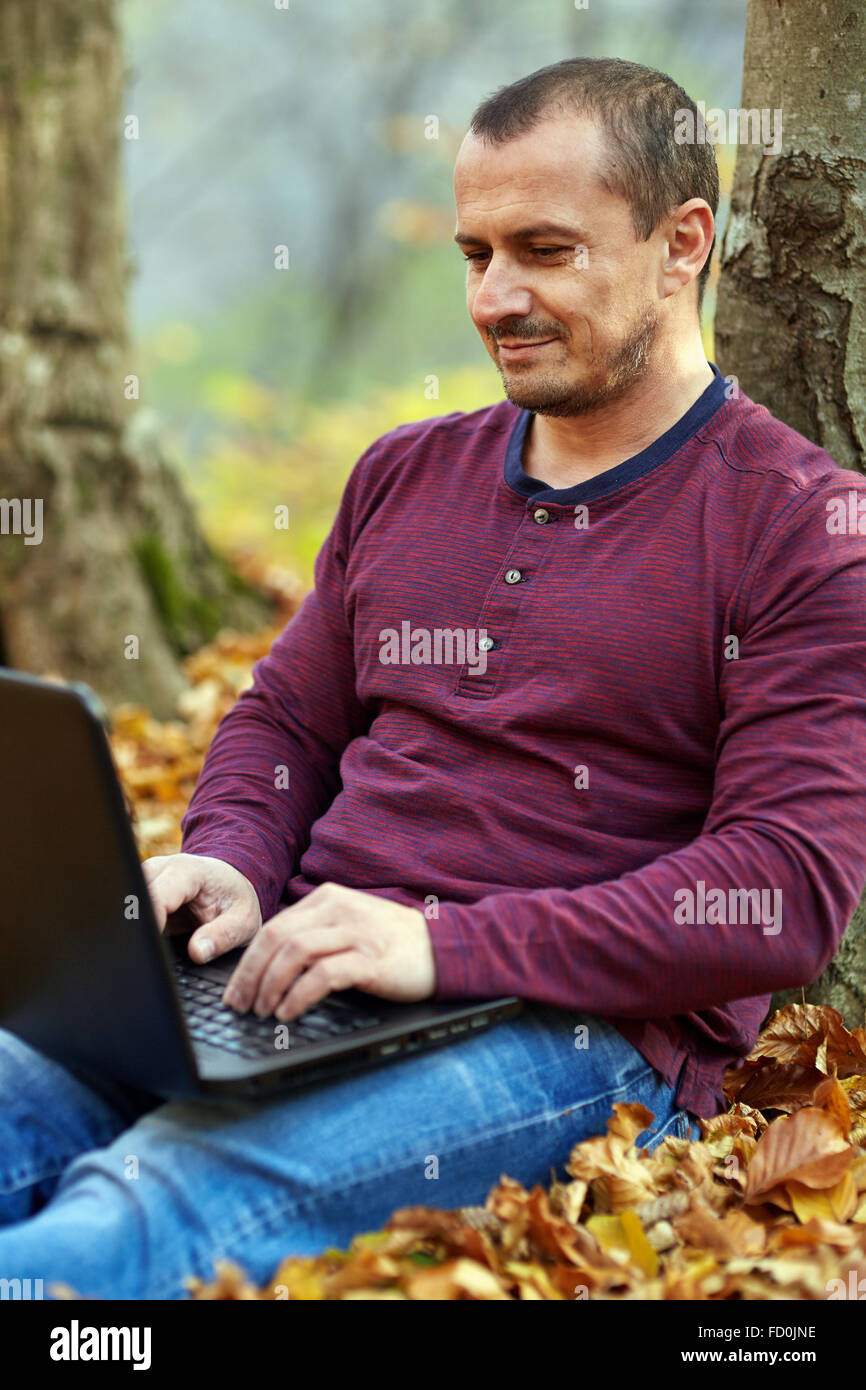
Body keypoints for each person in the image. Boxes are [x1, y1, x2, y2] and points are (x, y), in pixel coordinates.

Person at [2, 57, 865, 1300]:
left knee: (135, 1224)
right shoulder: (406, 474)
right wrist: (233, 857)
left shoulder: (800, 527)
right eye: (472, 253)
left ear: (683, 244)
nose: (494, 296)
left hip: (565, 1039)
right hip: (297, 966)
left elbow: (778, 891)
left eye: (543, 250)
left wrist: (442, 943)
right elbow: (287, 717)